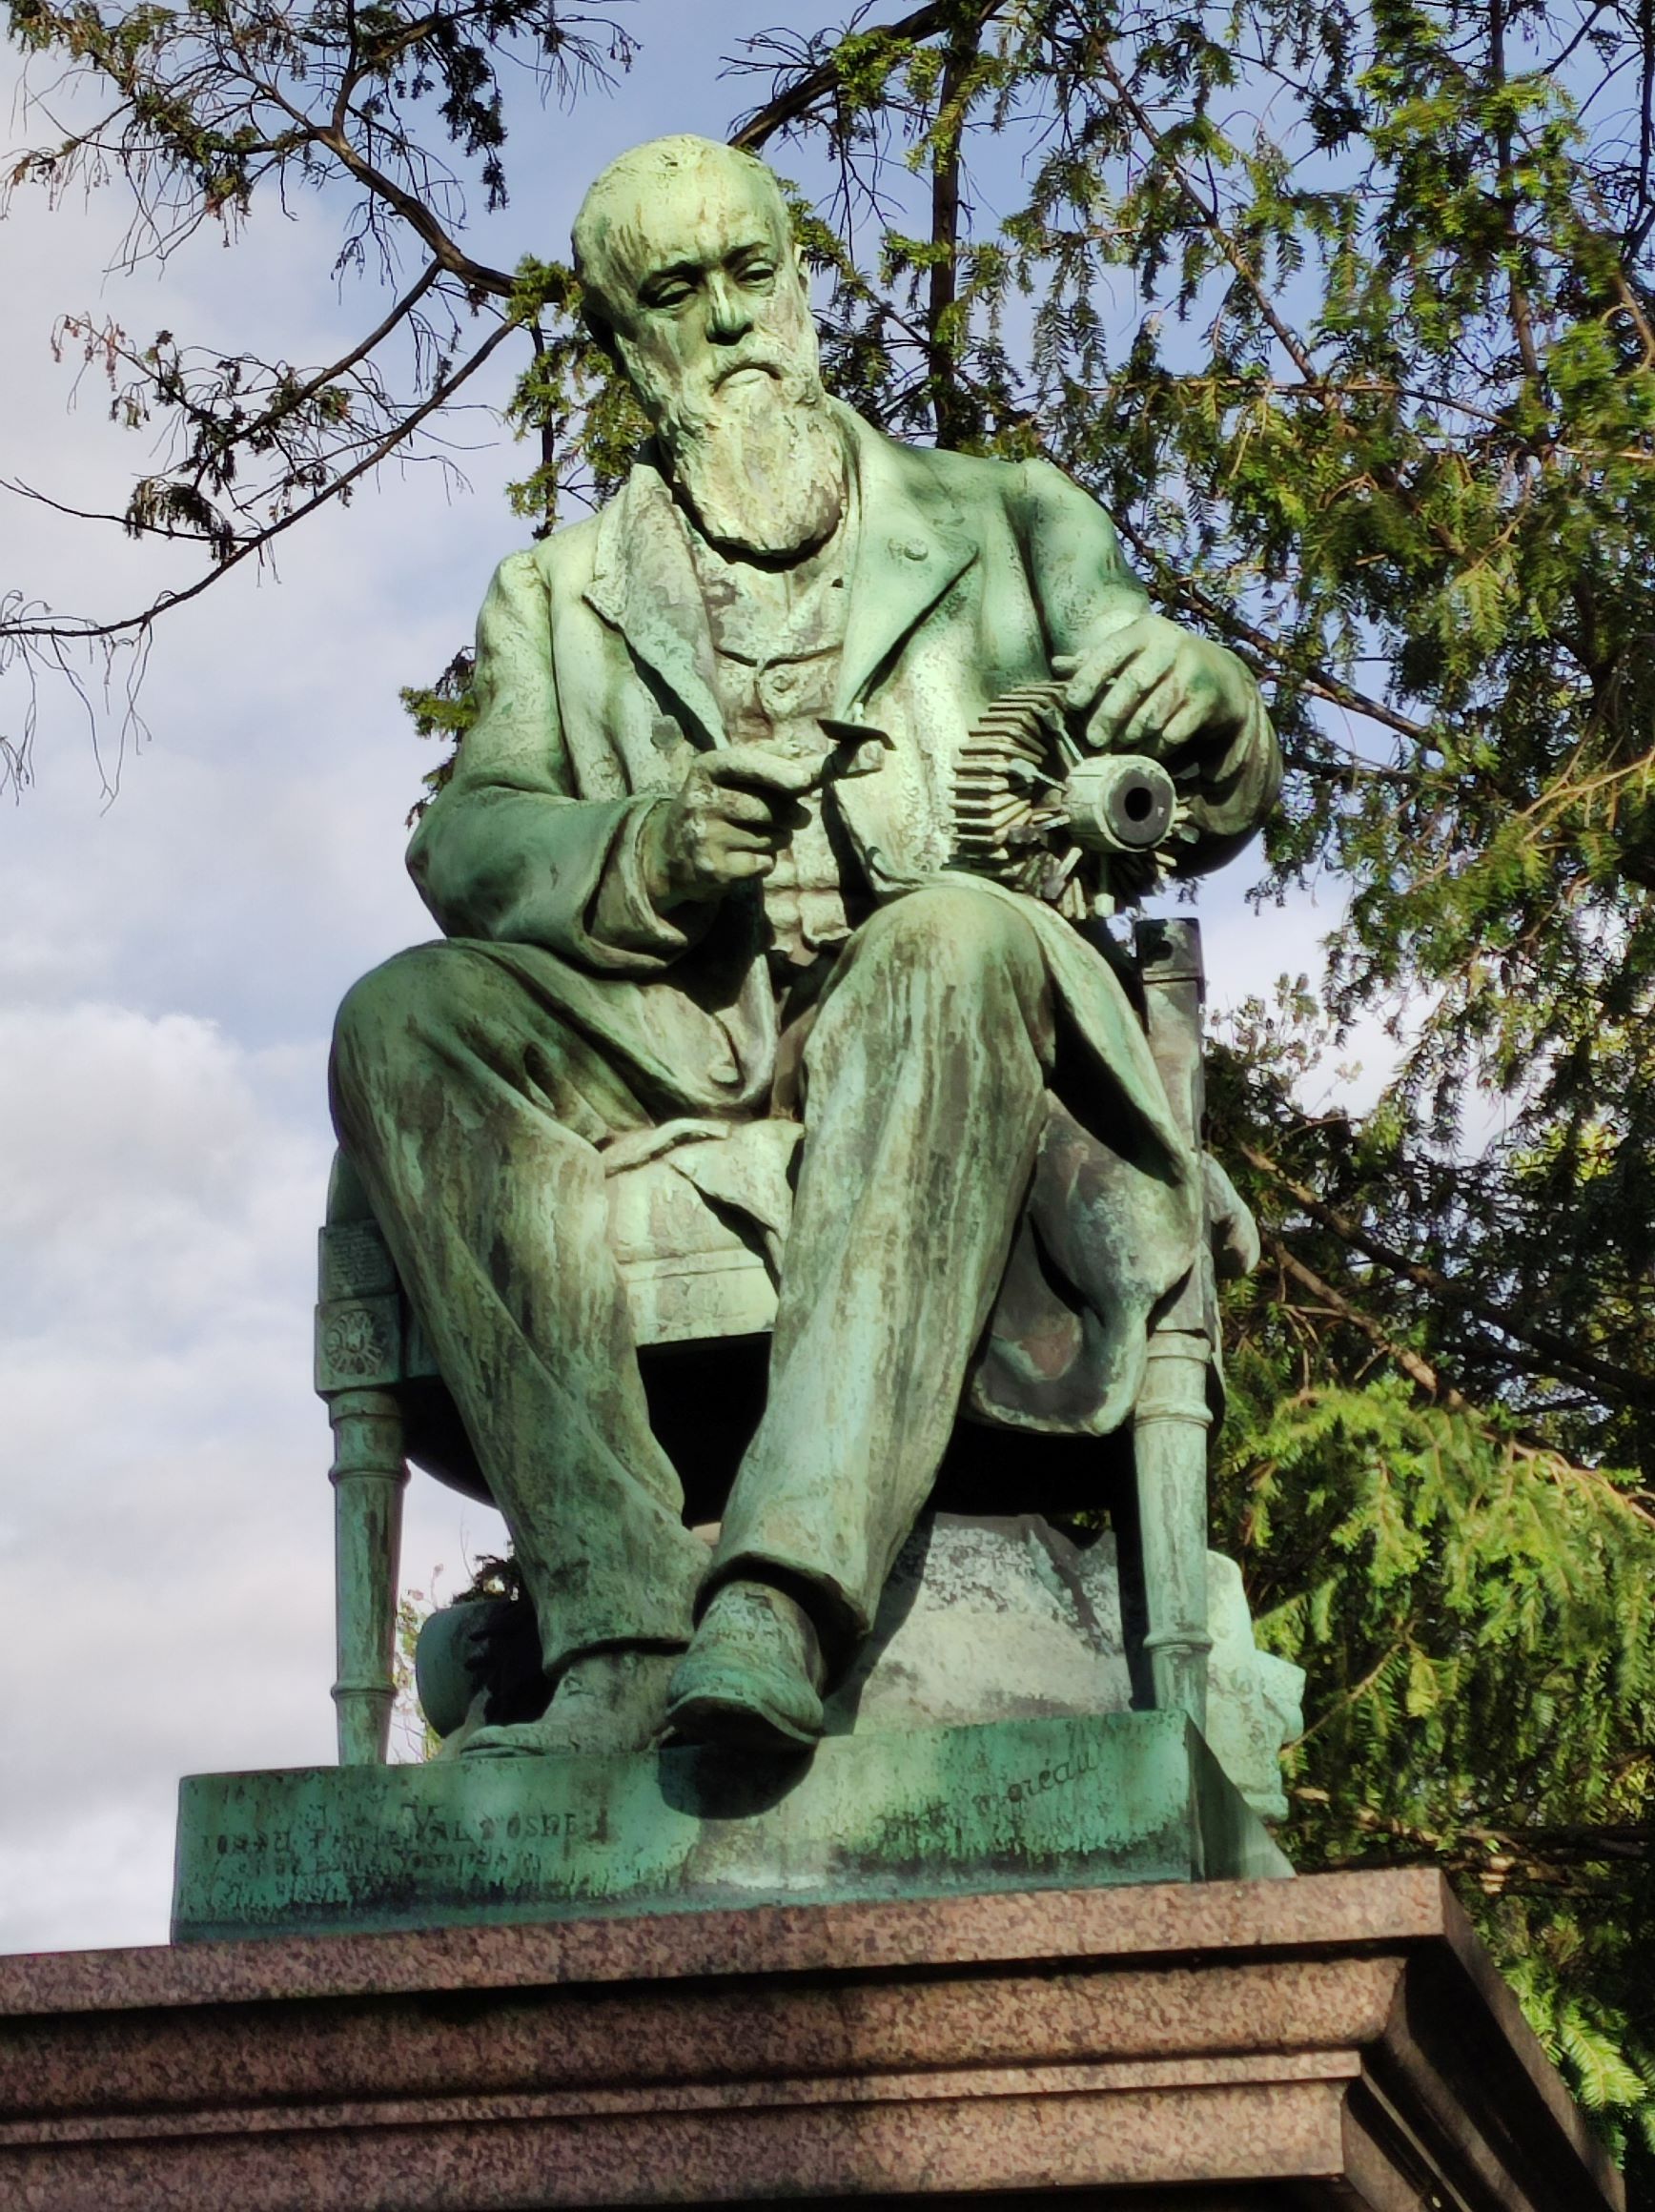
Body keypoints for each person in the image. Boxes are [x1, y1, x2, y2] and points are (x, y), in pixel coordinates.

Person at [330, 134, 1280, 1757]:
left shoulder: (1006, 519)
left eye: (750, 274)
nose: (729, 323)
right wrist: (648, 844)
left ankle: (781, 1596)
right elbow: (474, 838)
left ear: (805, 283)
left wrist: (1210, 702)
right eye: (677, 297)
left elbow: (1191, 744)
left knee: (947, 946)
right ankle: (617, 1623)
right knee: (402, 1021)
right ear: (633, 347)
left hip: (955, 1008)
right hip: (676, 1030)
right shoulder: (559, 594)